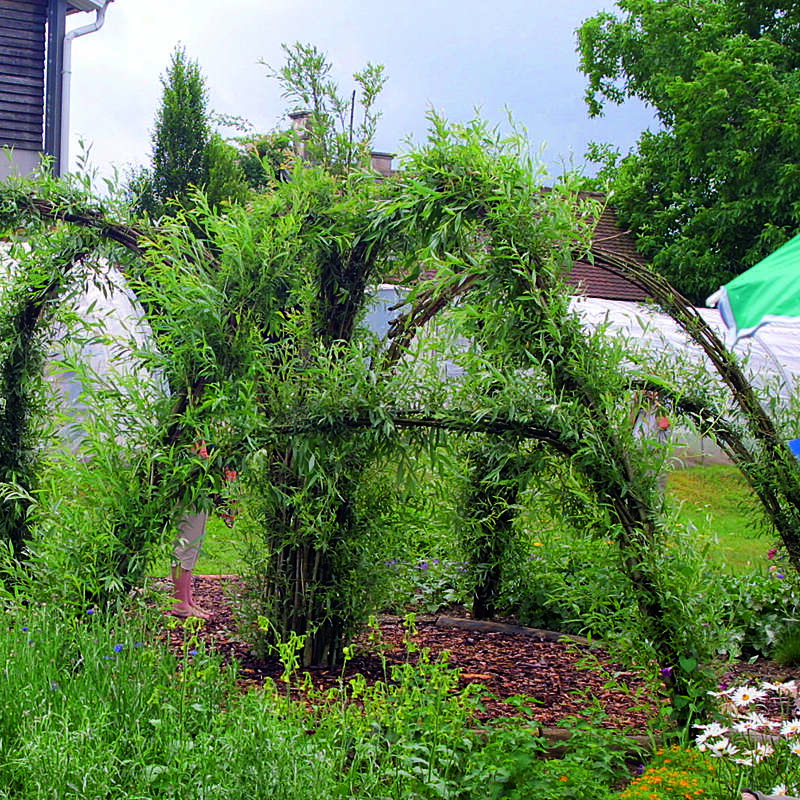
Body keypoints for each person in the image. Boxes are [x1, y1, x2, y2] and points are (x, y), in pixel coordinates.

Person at [170, 440, 212, 619]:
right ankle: (180, 604)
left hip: (197, 487)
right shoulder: (186, 430)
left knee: (194, 543)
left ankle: (187, 601)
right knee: (186, 543)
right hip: (188, 487)